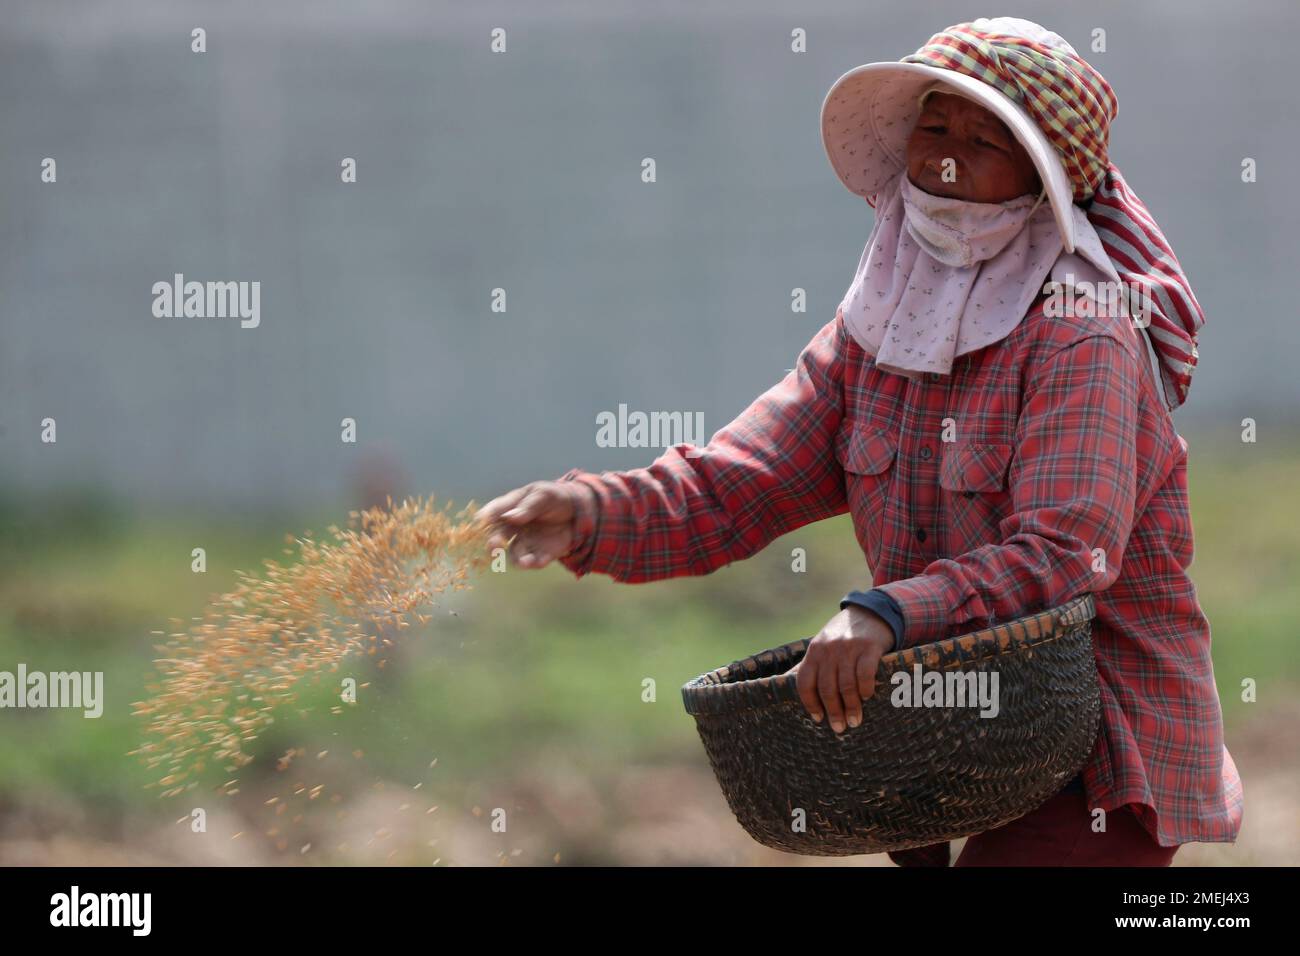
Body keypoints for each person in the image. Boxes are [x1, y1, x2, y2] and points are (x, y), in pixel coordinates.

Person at [475, 17, 1242, 866]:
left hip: (1093, 749)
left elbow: (1064, 555)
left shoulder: (1081, 330)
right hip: (946, 743)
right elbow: (734, 486)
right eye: (935, 127)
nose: (945, 159)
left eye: (985, 141)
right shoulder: (877, 329)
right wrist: (588, 512)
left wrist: (884, 614)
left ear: (1044, 182)